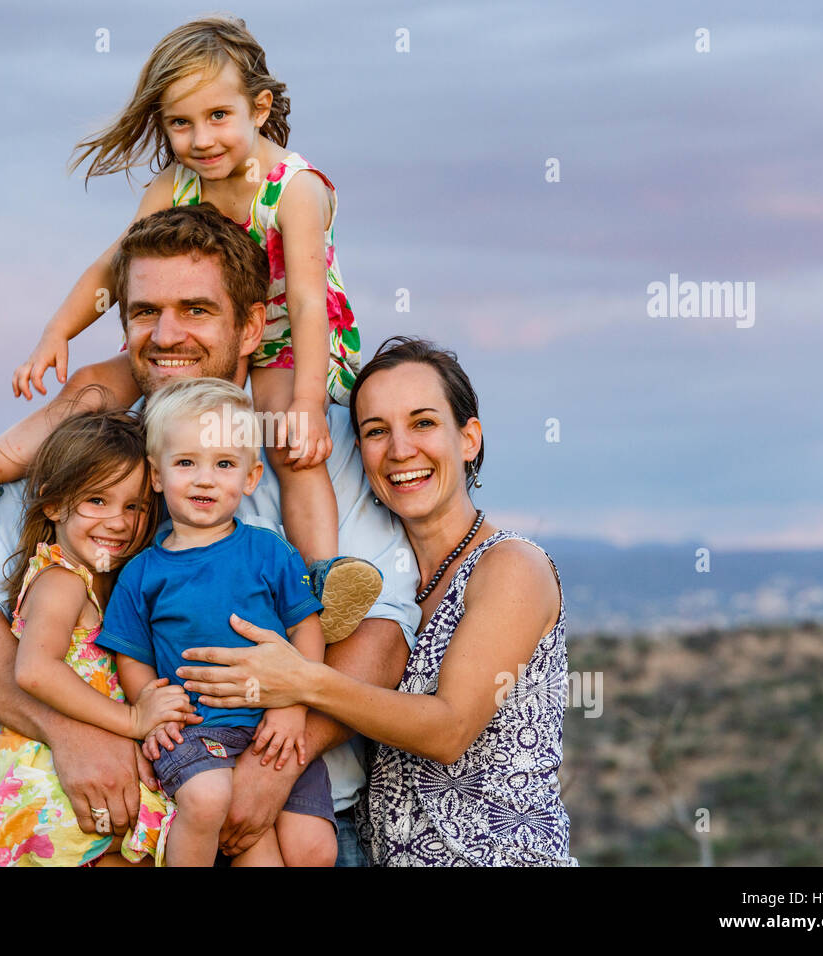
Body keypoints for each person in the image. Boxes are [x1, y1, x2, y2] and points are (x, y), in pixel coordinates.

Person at [0, 205, 420, 866]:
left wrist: (280, 758)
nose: (166, 334)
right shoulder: (82, 448)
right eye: (144, 312)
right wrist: (72, 732)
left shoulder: (318, 445)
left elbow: (382, 632)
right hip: (120, 833)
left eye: (195, 309)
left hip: (302, 814)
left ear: (248, 328)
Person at [0, 15, 378, 644]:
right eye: (180, 122)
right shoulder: (175, 183)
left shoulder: (295, 189)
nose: (201, 138)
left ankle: (317, 577)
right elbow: (116, 268)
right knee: (93, 382)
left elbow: (308, 303)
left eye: (218, 116)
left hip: (285, 341)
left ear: (259, 107)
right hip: (197, 343)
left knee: (289, 443)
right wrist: (56, 332)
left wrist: (309, 399)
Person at [176, 337, 579, 866]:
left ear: (469, 439)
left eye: (424, 423)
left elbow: (449, 729)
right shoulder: (401, 578)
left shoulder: (510, 566)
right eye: (375, 431)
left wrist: (303, 679)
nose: (400, 449)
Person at [97, 378, 336, 866]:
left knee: (315, 848)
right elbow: (132, 654)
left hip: (275, 726)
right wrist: (147, 703)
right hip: (195, 730)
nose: (205, 479)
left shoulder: (269, 551)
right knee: (210, 804)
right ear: (157, 476)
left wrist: (294, 706)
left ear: (250, 479)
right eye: (186, 463)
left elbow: (305, 628)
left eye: (224, 464)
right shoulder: (142, 571)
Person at [0, 408, 198, 866]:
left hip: (85, 799)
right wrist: (133, 720)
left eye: (133, 507)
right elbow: (34, 671)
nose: (117, 521)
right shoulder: (62, 580)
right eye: (97, 501)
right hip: (57, 799)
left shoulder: (102, 581)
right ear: (52, 503)